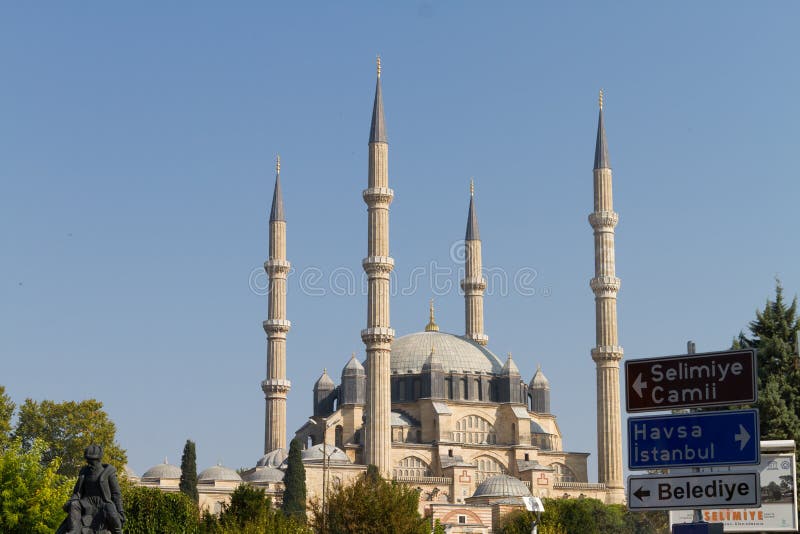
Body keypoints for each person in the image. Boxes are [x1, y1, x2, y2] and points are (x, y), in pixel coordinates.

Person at [62, 444, 125, 534]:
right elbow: (77, 492)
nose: (88, 462)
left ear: (98, 460)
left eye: (91, 460)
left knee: (112, 513)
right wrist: (71, 501)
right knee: (74, 504)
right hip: (86, 502)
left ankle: (117, 532)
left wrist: (120, 511)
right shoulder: (84, 472)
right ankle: (74, 530)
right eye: (87, 460)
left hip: (103, 503)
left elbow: (116, 494)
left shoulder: (109, 472)